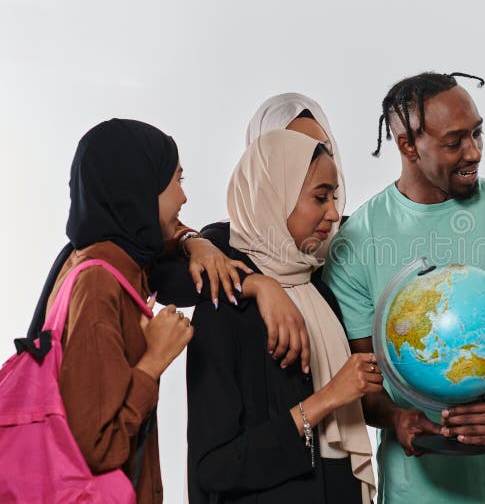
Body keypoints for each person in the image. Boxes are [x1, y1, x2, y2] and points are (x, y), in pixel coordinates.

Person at [322, 72, 485, 503]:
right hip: (421, 491)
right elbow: (362, 375)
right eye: (455, 141)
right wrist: (396, 419)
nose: (473, 152)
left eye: (477, 133)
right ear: (407, 146)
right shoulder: (355, 243)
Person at [182, 115, 378, 502]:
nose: (334, 214)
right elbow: (216, 467)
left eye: (334, 198)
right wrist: (328, 398)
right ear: (275, 195)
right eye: (320, 197)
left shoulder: (322, 287)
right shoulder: (224, 308)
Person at [38, 119, 198, 503]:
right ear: (139, 188)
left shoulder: (100, 262)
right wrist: (154, 361)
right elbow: (94, 448)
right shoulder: (98, 286)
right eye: (176, 180)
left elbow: (171, 237)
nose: (183, 197)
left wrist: (195, 243)